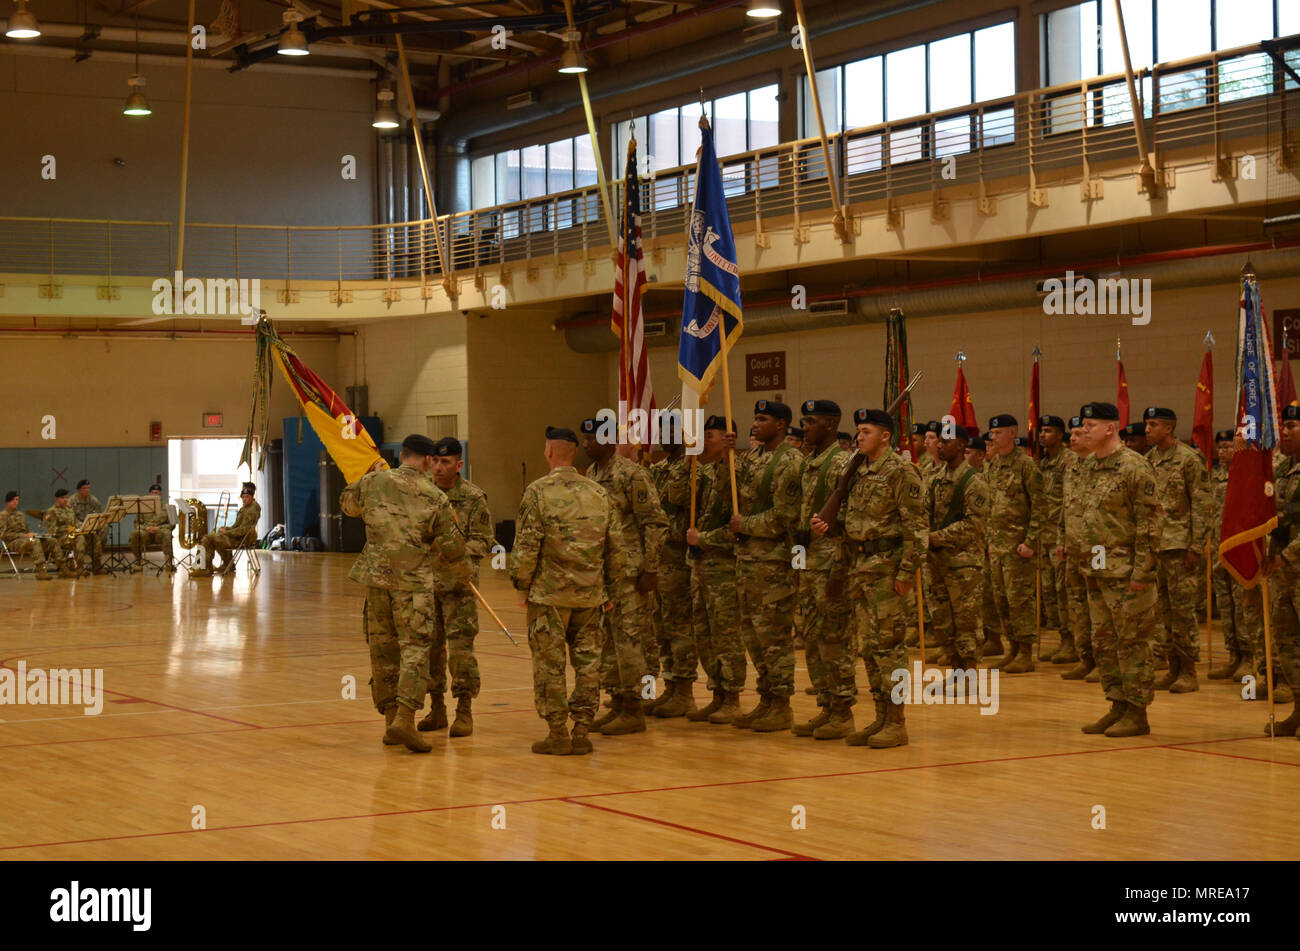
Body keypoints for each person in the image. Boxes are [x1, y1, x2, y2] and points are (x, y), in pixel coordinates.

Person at [341, 435, 469, 753]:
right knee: (415, 649)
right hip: (412, 584)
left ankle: (389, 720)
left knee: (383, 652)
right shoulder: (434, 496)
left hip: (377, 582)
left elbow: (347, 505)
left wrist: (370, 477)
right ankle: (405, 719)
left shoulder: (374, 482)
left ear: (402, 455)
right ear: (427, 460)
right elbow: (453, 548)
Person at [813, 408, 924, 749]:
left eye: (866, 432)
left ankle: (897, 721)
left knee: (890, 648)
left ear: (885, 436)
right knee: (871, 649)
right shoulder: (859, 471)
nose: (859, 437)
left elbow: (917, 529)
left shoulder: (901, 472)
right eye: (858, 432)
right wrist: (828, 527)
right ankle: (880, 717)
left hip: (887, 570)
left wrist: (907, 573)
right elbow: (851, 522)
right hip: (860, 568)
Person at [510, 427, 622, 755]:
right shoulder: (598, 492)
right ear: (575, 452)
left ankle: (557, 730)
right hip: (591, 596)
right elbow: (616, 547)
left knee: (550, 664)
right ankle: (583, 729)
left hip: (550, 598)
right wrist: (612, 589)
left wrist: (521, 584)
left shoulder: (537, 492)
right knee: (588, 664)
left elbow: (527, 545)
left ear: (549, 452)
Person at [1077, 402, 1160, 737]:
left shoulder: (1134, 468)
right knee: (1104, 643)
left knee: (1132, 643)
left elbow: (1150, 525)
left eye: (1090, 425)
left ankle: (1138, 712)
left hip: (1126, 572)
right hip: (1097, 569)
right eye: (1083, 425)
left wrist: (1143, 573)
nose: (1084, 431)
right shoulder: (1089, 467)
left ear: (1110, 428)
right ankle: (1118, 704)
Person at [581, 417, 667, 736]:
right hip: (604, 573)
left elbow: (655, 524)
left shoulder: (632, 474)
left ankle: (635, 707)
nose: (586, 444)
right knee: (610, 643)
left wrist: (651, 568)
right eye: (584, 438)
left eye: (591, 438)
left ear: (607, 439)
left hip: (631, 572)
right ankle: (617, 700)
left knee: (631, 640)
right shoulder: (592, 474)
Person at [727, 399, 804, 732]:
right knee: (753, 636)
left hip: (773, 562)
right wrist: (727, 456)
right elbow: (734, 492)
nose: (755, 424)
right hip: (747, 562)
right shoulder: (753, 457)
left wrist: (746, 526)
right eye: (755, 418)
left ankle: (782, 704)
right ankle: (767, 698)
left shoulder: (791, 462)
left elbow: (785, 516)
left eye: (763, 419)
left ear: (782, 425)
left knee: (773, 636)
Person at [419, 437, 493, 737]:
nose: (438, 467)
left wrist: (456, 551)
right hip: (426, 586)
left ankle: (464, 710)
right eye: (435, 461)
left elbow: (485, 540)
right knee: (431, 652)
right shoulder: (422, 494)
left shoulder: (473, 498)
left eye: (445, 462)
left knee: (461, 652)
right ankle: (436, 709)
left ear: (459, 464)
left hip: (460, 588)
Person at [791, 399, 855, 739]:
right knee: (813, 640)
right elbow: (803, 521)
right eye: (803, 421)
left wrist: (840, 571)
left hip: (832, 563)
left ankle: (843, 711)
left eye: (811, 421)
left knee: (835, 639)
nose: (805, 427)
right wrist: (796, 564)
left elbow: (851, 515)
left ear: (830, 425)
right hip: (809, 565)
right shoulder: (810, 463)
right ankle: (827, 706)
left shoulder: (841, 464)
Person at [1143, 406, 1212, 693]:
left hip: (1181, 545)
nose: (1147, 430)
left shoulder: (1189, 459)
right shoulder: (1147, 461)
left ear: (1168, 429)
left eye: (1153, 425)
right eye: (1147, 425)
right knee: (1163, 612)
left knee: (1183, 612)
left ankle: (1189, 671)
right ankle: (1172, 667)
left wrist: (1196, 545)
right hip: (1156, 546)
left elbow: (1202, 504)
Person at [685, 416, 747, 724]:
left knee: (726, 637)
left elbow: (737, 528)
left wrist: (703, 539)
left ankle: (732, 696)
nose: (703, 441)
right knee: (704, 636)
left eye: (709, 436)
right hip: (701, 569)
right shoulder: (704, 472)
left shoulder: (736, 474)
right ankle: (717, 694)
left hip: (724, 569)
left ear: (726, 439)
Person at [925, 425, 988, 679]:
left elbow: (974, 524)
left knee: (966, 622)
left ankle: (970, 674)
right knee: (943, 621)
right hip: (937, 562)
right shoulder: (934, 479)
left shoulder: (974, 481)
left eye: (947, 441)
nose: (940, 445)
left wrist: (935, 538)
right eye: (939, 441)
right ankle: (956, 673)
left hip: (964, 563)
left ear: (962, 445)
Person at [984, 414, 1044, 672]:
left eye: (998, 433)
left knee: (1020, 600)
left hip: (1018, 546)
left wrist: (1031, 541)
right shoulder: (992, 465)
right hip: (996, 545)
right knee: (1002, 600)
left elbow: (1040, 506)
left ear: (1012, 433)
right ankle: (1013, 648)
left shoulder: (1026, 465)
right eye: (992, 433)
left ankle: (1026, 652)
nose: (993, 438)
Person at [647, 432, 699, 718]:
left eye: (669, 432)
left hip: (678, 558)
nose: (663, 438)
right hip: (660, 557)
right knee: (662, 628)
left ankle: (685, 690)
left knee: (679, 627)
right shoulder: (659, 469)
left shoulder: (693, 469)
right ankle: (670, 686)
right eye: (660, 433)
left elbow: (683, 502)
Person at [1208, 429, 1263, 683]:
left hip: (1239, 549)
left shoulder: (1246, 475)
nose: (1223, 451)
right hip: (1219, 549)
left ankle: (1249, 657)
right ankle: (1233, 656)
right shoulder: (1213, 475)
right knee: (1226, 604)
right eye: (1220, 447)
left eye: (1228, 446)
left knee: (1243, 606)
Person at [1264, 405, 1300, 737]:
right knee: (1287, 644)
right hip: (1282, 572)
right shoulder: (1283, 468)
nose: (1283, 433)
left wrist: (1286, 557)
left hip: (1294, 565)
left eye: (1290, 426)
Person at [1057, 416, 1098, 681]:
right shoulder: (1071, 466)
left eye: (1077, 434)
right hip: (1073, 548)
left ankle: (1104, 662)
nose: (1072, 438)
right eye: (1070, 434)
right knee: (1078, 607)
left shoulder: (1101, 466)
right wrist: (1061, 539)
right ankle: (1086, 658)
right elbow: (1066, 507)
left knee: (1098, 608)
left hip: (1095, 550)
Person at [1037, 415, 1075, 662]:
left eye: (1048, 431)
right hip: (1045, 536)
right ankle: (1063, 639)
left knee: (1065, 593)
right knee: (1051, 593)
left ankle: (1072, 643)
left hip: (1061, 537)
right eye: (1041, 430)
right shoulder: (1043, 463)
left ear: (1061, 435)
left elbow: (1068, 502)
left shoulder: (1068, 461)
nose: (1042, 435)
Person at [190, 483, 261, 578]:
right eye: (243, 497)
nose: (244, 499)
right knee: (215, 535)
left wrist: (227, 532)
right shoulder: (245, 508)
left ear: (252, 497)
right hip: (239, 537)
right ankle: (227, 564)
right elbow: (237, 526)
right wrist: (227, 529)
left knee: (208, 538)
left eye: (247, 497)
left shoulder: (251, 510)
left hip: (242, 539)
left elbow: (243, 530)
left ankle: (205, 568)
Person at [2, 491, 51, 580]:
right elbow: (4, 535)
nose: (15, 502)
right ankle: (41, 571)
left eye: (17, 499)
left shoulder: (20, 515)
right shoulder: (3, 515)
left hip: (25, 540)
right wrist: (23, 536)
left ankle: (63, 567)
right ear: (8, 501)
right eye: (13, 500)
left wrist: (33, 534)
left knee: (51, 540)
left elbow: (27, 531)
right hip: (13, 543)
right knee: (34, 542)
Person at [129, 484, 175, 572]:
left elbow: (172, 525)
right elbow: (137, 523)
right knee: (135, 534)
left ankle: (169, 563)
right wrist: (146, 528)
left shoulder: (169, 507)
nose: (155, 494)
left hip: (160, 532)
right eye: (153, 493)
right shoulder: (142, 507)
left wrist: (159, 528)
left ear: (161, 494)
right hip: (146, 533)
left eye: (157, 493)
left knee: (167, 533)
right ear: (150, 494)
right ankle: (138, 562)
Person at [43, 488, 81, 578]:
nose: (65, 499)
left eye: (66, 497)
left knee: (86, 537)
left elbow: (76, 523)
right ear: (57, 499)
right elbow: (52, 530)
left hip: (72, 535)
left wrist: (81, 528)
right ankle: (67, 568)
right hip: (60, 538)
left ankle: (82, 566)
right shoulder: (51, 511)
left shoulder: (69, 510)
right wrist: (68, 529)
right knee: (79, 539)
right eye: (62, 498)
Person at [71, 480, 106, 575]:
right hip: (76, 530)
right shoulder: (71, 501)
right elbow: (71, 519)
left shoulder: (93, 500)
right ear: (79, 490)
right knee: (80, 540)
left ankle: (97, 565)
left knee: (97, 539)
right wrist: (82, 527)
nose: (87, 490)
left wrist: (93, 526)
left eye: (88, 488)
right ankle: (80, 567)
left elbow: (99, 516)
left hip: (90, 528)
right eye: (84, 488)